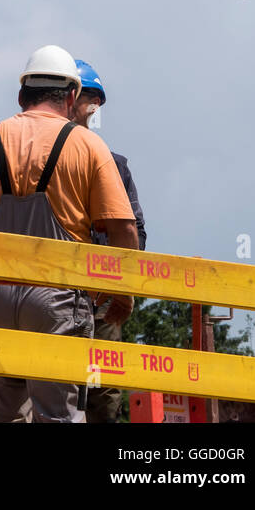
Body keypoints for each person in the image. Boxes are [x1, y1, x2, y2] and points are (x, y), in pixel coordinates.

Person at [0, 45, 138, 422]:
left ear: (21, 96)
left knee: (9, 414)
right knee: (58, 414)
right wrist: (123, 294)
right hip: (58, 301)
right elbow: (124, 228)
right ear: (71, 96)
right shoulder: (87, 145)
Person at [72, 58, 147, 423]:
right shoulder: (38, 160)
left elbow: (137, 232)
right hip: (54, 294)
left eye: (93, 98)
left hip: (101, 297)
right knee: (50, 383)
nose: (89, 105)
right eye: (85, 95)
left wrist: (120, 287)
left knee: (103, 392)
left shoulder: (114, 165)